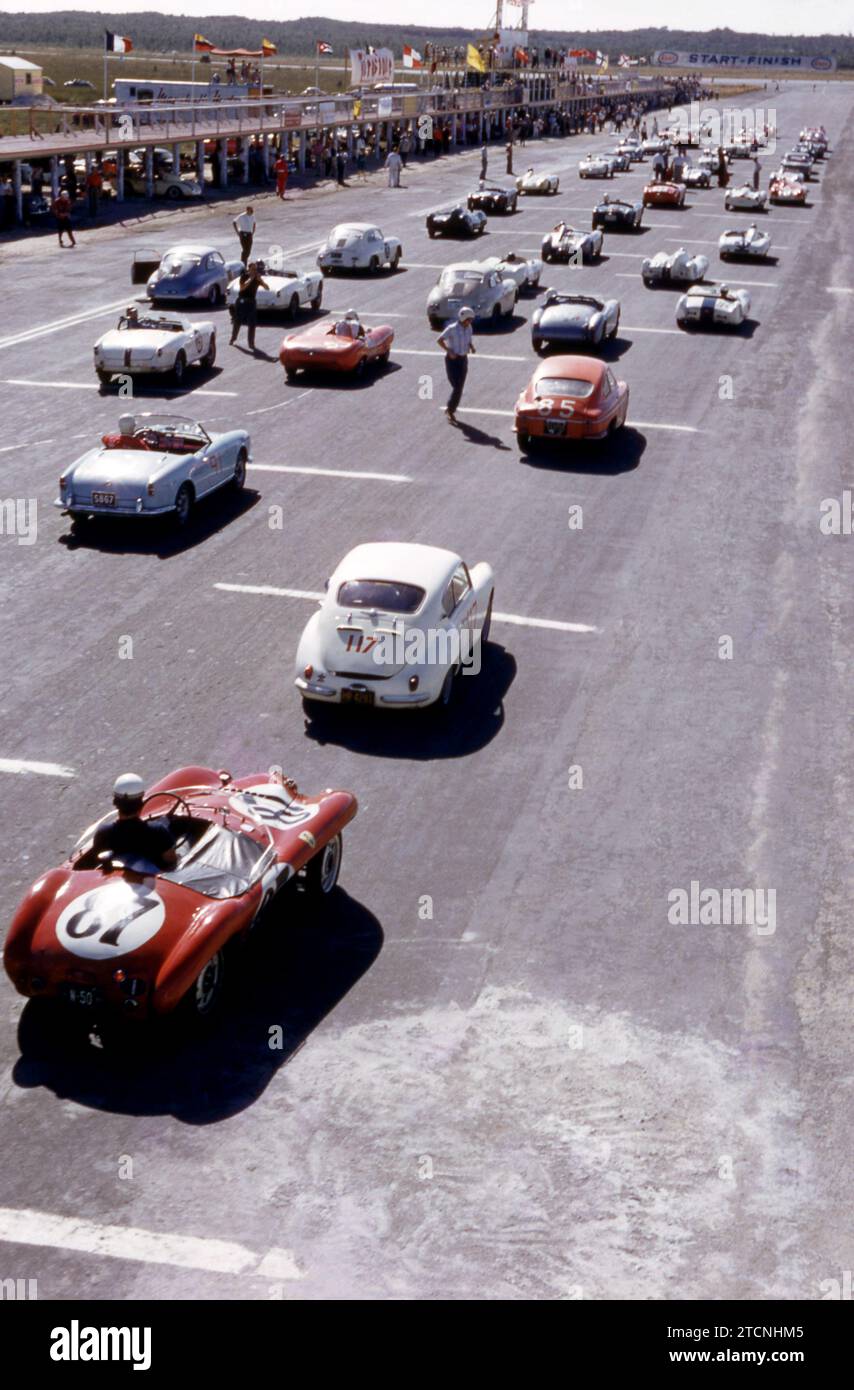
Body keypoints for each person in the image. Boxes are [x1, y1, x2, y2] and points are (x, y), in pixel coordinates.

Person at [91, 774, 178, 874]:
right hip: (151, 881)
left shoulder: (103, 832)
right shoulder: (158, 831)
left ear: (115, 803)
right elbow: (171, 860)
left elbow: (96, 859)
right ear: (141, 804)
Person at [438, 306, 476, 424]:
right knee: (455, 384)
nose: (470, 322)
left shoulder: (469, 328)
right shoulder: (452, 328)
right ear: (463, 318)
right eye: (468, 319)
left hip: (463, 359)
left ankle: (450, 410)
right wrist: (449, 351)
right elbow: (439, 340)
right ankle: (451, 408)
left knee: (459, 386)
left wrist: (471, 346)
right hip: (452, 360)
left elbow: (468, 339)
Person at [230, 261, 268, 352]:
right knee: (237, 321)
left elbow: (267, 288)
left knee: (252, 323)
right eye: (253, 269)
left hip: (251, 302)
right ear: (249, 269)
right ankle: (233, 338)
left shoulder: (257, 278)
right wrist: (251, 279)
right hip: (242, 301)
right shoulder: (244, 276)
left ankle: (251, 343)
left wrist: (261, 280)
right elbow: (242, 287)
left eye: (256, 269)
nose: (255, 271)